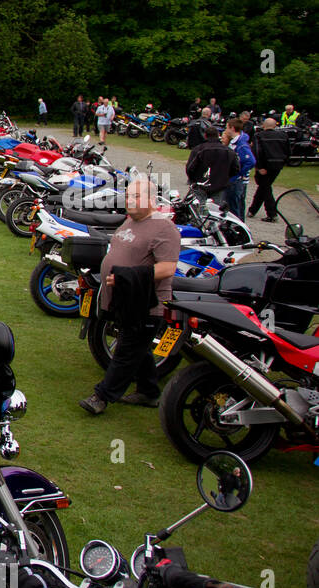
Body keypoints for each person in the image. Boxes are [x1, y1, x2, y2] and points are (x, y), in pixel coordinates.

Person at [78, 178, 179, 415]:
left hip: (147, 304)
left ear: (152, 200)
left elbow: (167, 268)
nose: (129, 200)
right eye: (128, 195)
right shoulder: (132, 221)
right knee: (138, 348)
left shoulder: (164, 229)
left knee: (125, 351)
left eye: (136, 196)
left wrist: (126, 277)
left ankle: (101, 397)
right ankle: (149, 392)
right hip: (125, 300)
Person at [186, 123, 239, 207]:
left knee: (199, 209)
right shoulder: (229, 151)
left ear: (205, 136)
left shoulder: (198, 149)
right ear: (218, 136)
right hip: (219, 184)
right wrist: (225, 178)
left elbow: (190, 168)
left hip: (200, 183)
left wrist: (193, 180)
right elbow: (235, 169)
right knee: (216, 211)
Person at [248, 118, 288, 222]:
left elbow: (256, 151)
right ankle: (252, 210)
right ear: (275, 126)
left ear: (264, 126)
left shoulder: (259, 136)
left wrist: (259, 166)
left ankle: (272, 213)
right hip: (277, 165)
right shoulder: (283, 136)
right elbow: (288, 151)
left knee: (265, 188)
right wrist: (283, 162)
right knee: (264, 187)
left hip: (265, 165)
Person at [224, 118, 255, 220]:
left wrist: (238, 173)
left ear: (232, 128)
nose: (226, 130)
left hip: (236, 181)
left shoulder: (241, 145)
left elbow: (251, 161)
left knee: (234, 208)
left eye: (227, 127)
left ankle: (237, 229)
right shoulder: (234, 142)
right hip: (233, 179)